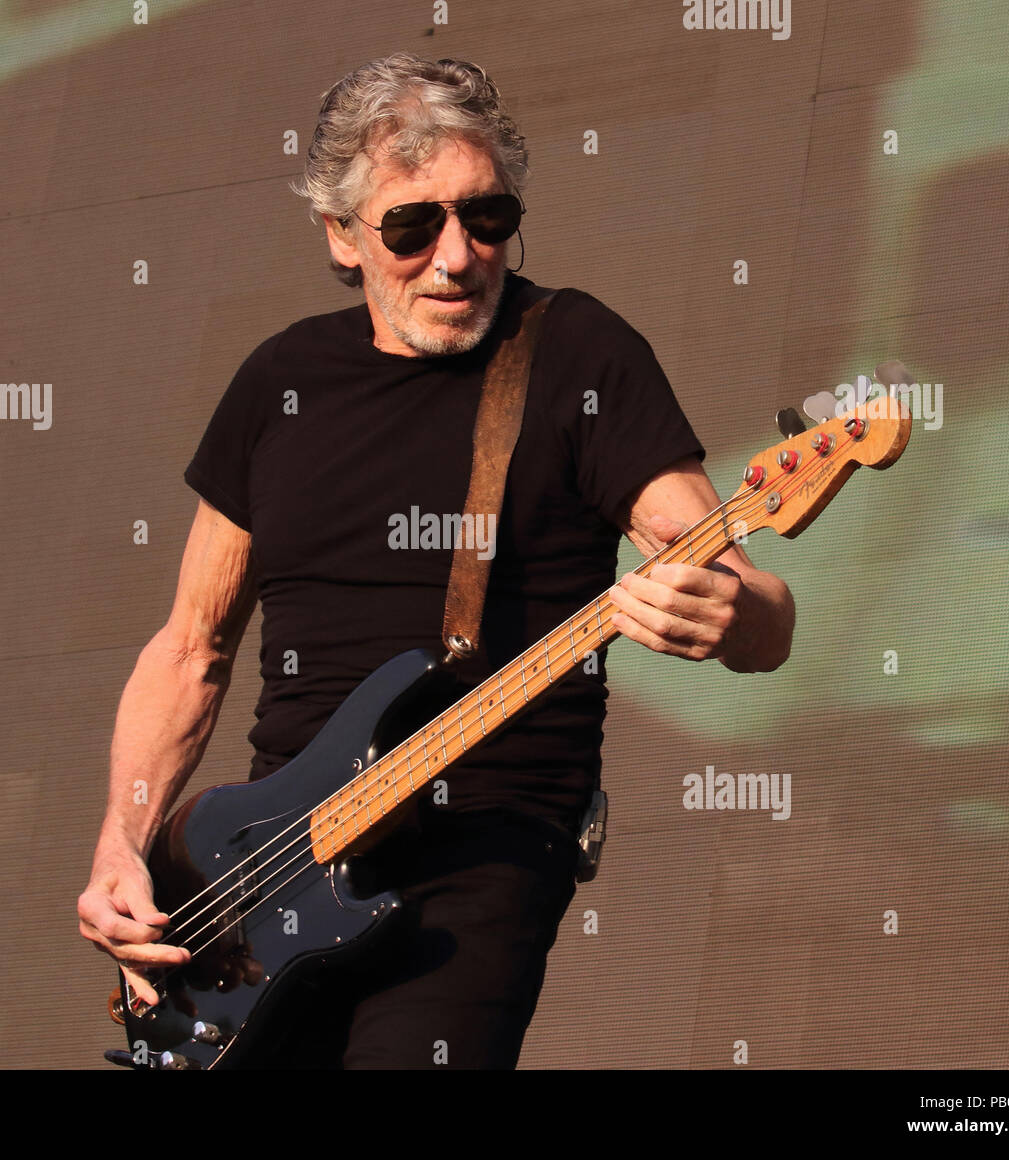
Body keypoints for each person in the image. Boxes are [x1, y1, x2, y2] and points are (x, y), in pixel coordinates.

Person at [77, 52, 795, 1068]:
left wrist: (743, 615)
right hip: (265, 865)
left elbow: (740, 591)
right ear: (339, 235)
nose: (456, 257)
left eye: (486, 217)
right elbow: (190, 646)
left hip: (485, 846)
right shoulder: (280, 380)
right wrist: (123, 841)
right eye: (412, 228)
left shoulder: (577, 353)